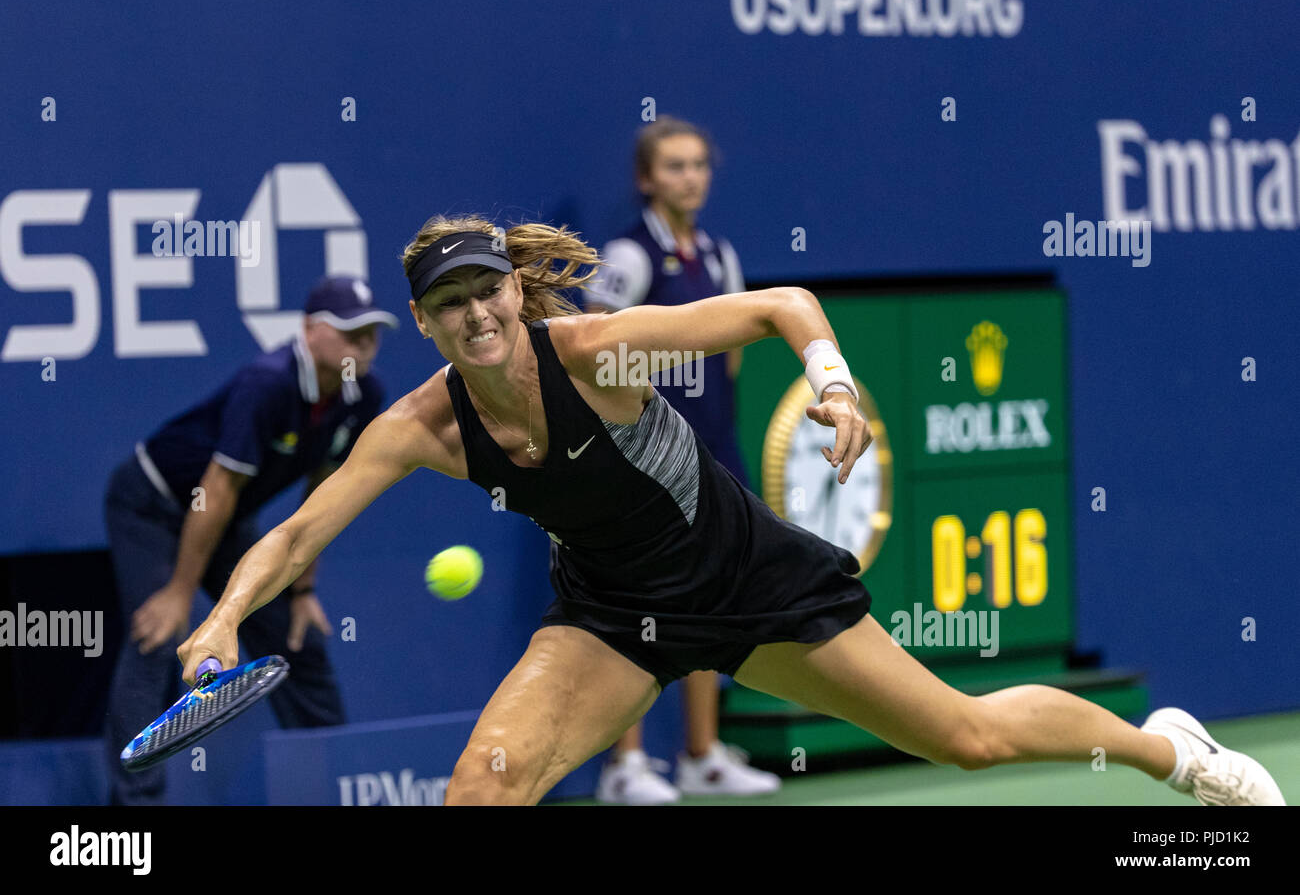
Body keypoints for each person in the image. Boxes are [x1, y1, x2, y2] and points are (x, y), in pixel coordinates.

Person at [177, 217, 1286, 808]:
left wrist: (836, 382)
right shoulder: (421, 427)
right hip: (611, 614)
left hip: (749, 581)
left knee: (968, 735)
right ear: (421, 323)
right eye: (447, 307)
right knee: (482, 786)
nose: (474, 317)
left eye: (486, 294)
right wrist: (227, 614)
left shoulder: (597, 353)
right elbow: (293, 533)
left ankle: (1165, 755)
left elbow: (775, 306)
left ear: (513, 292)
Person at [104, 275, 396, 804]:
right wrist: (178, 590)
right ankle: (134, 809)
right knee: (156, 636)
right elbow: (215, 488)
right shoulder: (268, 383)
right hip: (153, 504)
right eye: (350, 332)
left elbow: (325, 491)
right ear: (309, 332)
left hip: (222, 515)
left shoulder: (363, 395)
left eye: (371, 333)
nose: (364, 344)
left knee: (296, 639)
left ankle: (337, 786)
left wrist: (303, 593)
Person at [585, 116, 777, 802]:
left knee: (711, 599)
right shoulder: (628, 258)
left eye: (698, 165)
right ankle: (625, 765)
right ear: (646, 178)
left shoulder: (720, 256)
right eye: (673, 166)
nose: (689, 177)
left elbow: (731, 355)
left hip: (712, 452)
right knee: (635, 600)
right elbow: (591, 350)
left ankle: (701, 754)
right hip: (638, 457)